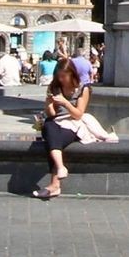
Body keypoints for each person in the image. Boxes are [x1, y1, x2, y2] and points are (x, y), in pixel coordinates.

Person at [36, 60, 93, 200]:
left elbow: (78, 114)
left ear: (71, 74)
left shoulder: (82, 89)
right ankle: (60, 169)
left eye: (64, 76)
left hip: (72, 123)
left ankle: (54, 185)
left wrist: (66, 103)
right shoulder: (54, 87)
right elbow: (52, 115)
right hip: (56, 122)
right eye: (58, 76)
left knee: (53, 140)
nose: (61, 80)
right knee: (49, 126)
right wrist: (49, 105)